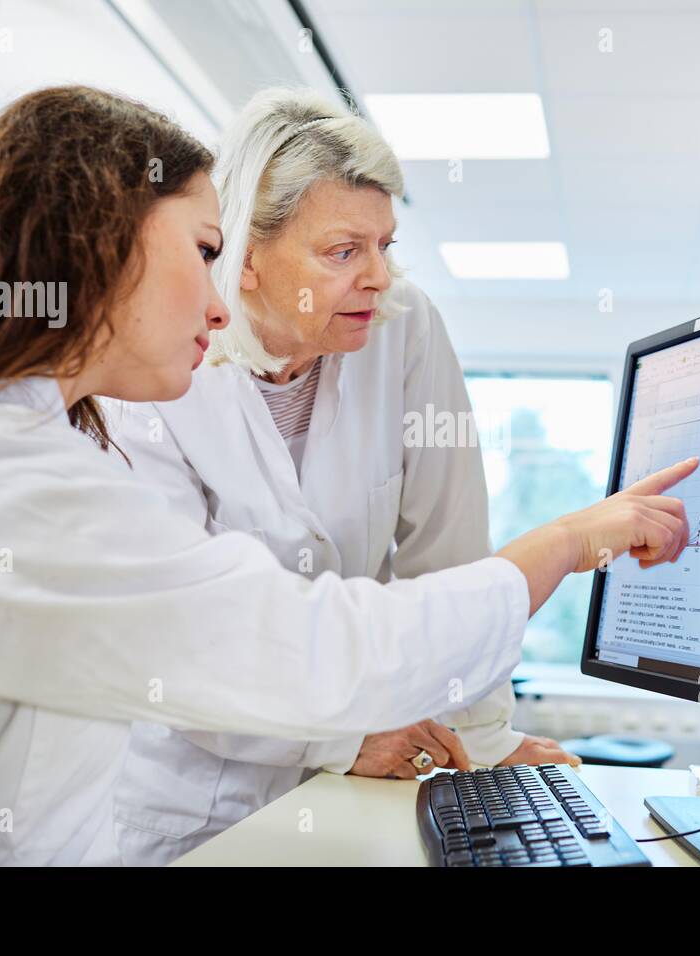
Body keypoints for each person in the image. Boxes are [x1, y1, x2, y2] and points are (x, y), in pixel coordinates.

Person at [0, 86, 697, 864]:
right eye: (202, 252)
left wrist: (480, 738)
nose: (219, 296)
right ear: (102, 246)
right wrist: (569, 542)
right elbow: (296, 647)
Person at [104, 88, 581, 864]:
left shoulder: (405, 327)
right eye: (342, 251)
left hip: (360, 789)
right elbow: (173, 640)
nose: (379, 277)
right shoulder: (159, 367)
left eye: (385, 244)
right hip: (186, 806)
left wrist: (484, 747)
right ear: (247, 257)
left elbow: (453, 559)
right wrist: (338, 735)